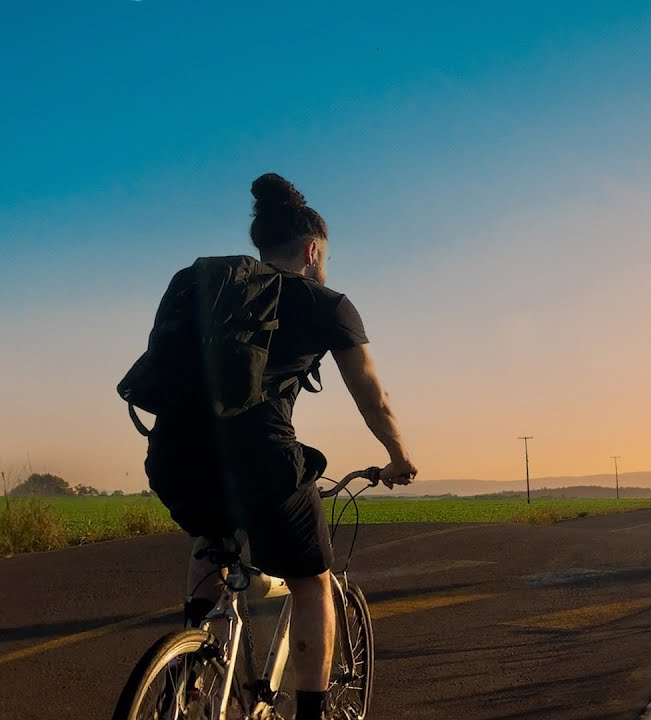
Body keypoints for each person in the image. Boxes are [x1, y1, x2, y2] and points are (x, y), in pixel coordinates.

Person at [141, 173, 416, 720]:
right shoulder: (326, 302)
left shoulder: (208, 285)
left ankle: (194, 661)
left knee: (211, 538)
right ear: (313, 250)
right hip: (261, 459)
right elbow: (372, 396)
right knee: (313, 583)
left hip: (172, 451)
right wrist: (399, 456)